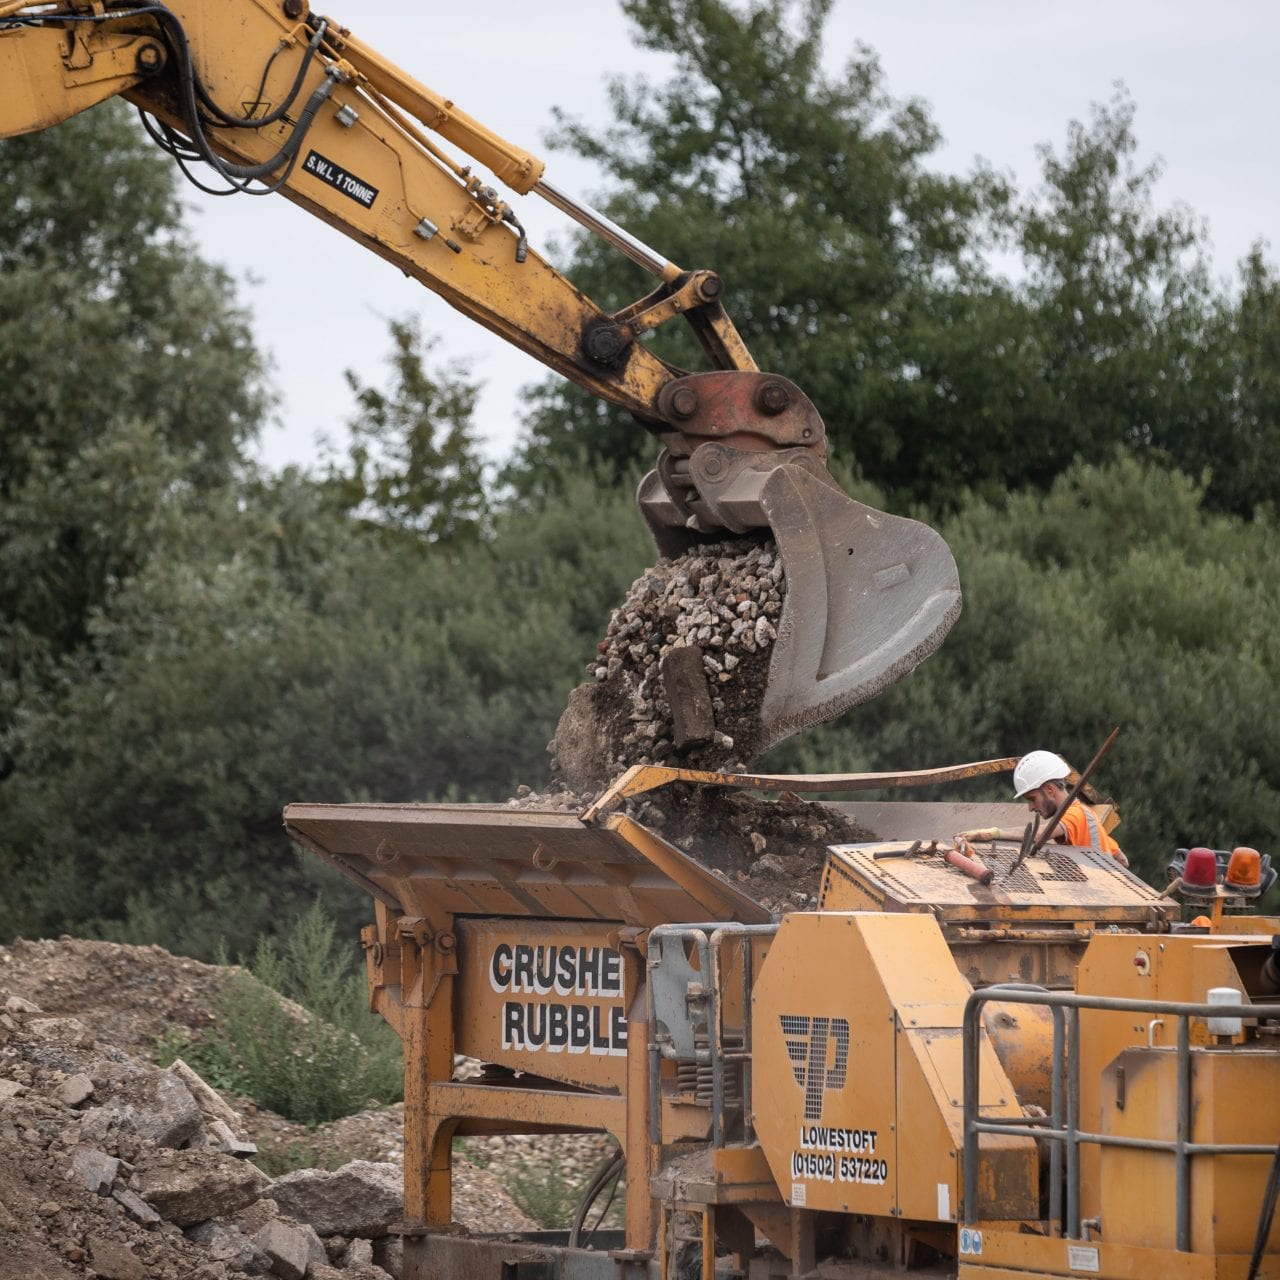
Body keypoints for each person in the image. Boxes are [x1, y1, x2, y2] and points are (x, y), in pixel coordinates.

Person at [956, 750, 1128, 866]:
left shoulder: (1075, 814)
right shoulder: (1085, 813)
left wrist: (992, 833)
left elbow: (1040, 835)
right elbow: (1122, 859)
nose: (1030, 808)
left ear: (1050, 790)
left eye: (1032, 799)